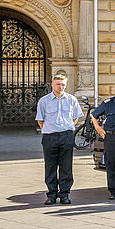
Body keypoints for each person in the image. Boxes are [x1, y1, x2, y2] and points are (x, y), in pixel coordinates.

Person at [35, 73, 83, 205]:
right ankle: (51, 194)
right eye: (58, 84)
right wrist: (50, 129)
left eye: (63, 84)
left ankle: (64, 194)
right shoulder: (44, 101)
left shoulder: (71, 99)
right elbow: (40, 120)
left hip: (66, 135)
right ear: (52, 84)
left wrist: (67, 128)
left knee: (66, 166)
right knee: (50, 166)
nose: (60, 86)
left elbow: (75, 118)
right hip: (50, 136)